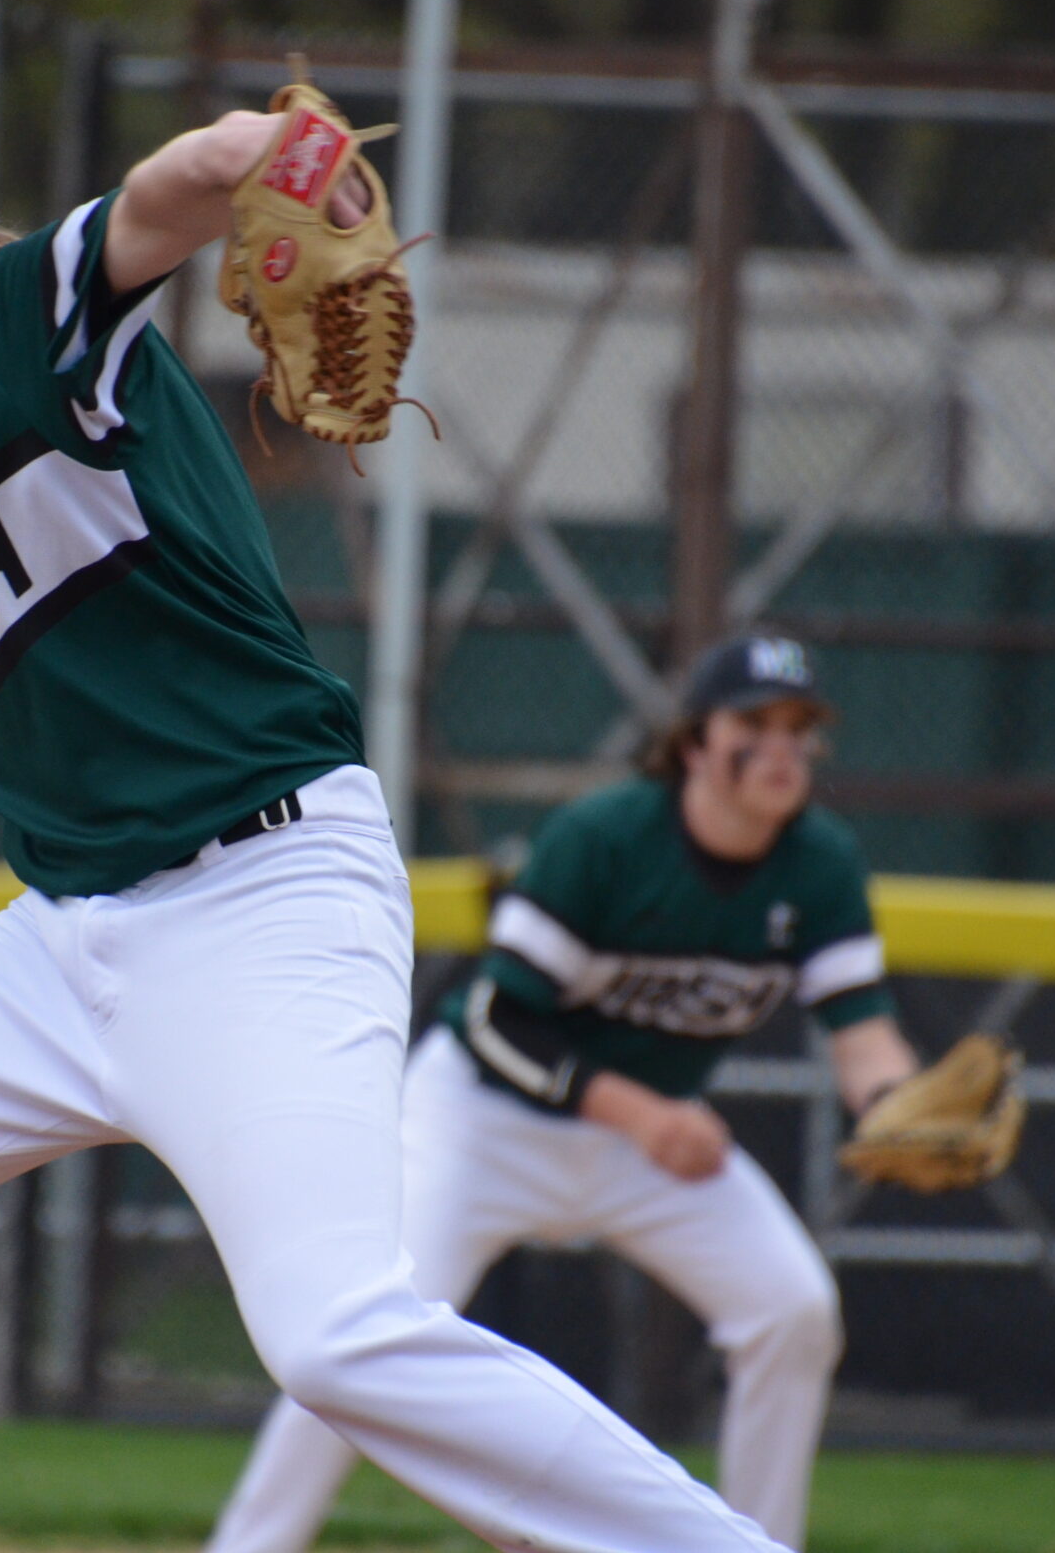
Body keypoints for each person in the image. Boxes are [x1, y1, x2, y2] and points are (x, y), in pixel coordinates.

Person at [0, 63, 783, 1553]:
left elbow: (174, 192)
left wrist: (277, 156)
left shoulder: (25, 317)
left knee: (331, 1337)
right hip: (60, 952)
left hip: (268, 902)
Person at [206, 633, 920, 1553]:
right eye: (757, 724)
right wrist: (645, 1114)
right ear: (697, 741)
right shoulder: (608, 837)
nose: (783, 748)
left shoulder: (819, 864)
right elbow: (501, 1021)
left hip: (646, 1143)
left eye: (802, 728)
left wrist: (900, 1104)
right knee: (359, 1336)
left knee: (792, 1310)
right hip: (482, 1122)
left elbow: (862, 1036)